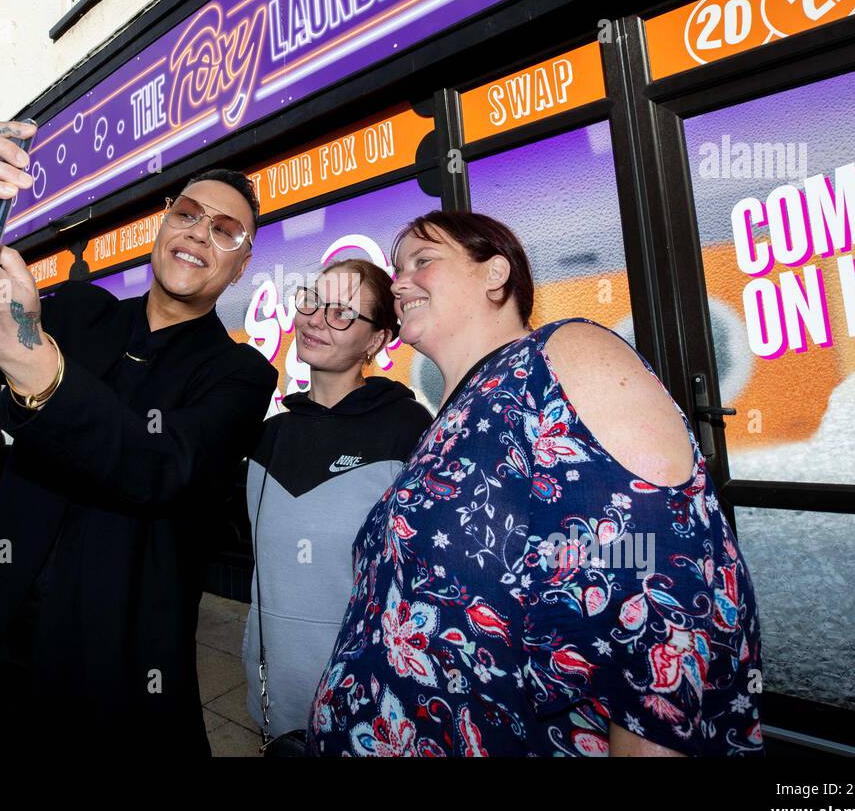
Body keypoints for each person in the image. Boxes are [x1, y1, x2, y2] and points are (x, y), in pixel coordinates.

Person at [307, 210, 763, 756]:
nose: (399, 282)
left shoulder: (557, 357)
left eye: (422, 262)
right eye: (397, 268)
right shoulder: (452, 418)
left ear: (495, 273)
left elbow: (660, 570)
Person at [0, 119, 278, 756]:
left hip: (120, 679)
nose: (198, 232)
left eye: (225, 230)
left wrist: (25, 352)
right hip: (6, 647)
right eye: (188, 212)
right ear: (162, 225)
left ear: (242, 266)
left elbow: (159, 465)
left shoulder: (240, 376)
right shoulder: (81, 311)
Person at [243, 258, 432, 742]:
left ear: (375, 340)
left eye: (342, 313)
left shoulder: (409, 431)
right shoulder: (269, 435)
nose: (316, 320)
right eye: (312, 302)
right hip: (274, 689)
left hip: (371, 701)